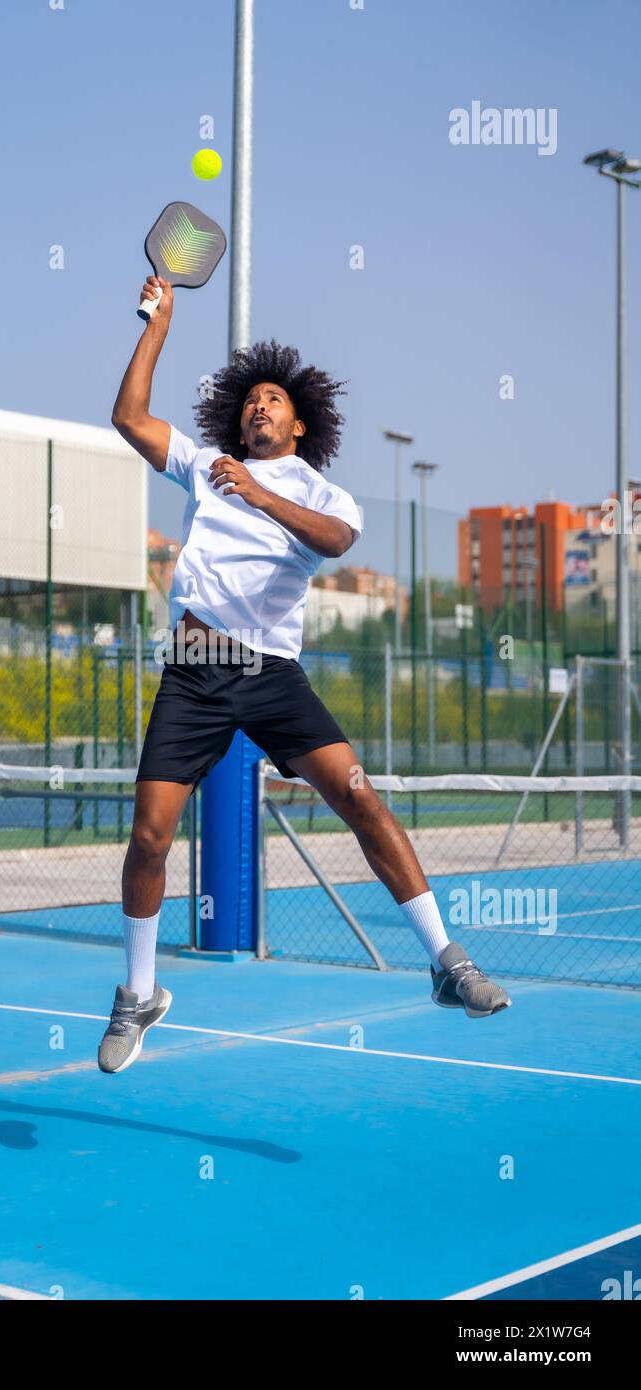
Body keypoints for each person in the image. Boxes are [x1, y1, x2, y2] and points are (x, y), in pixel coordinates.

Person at [99, 274, 510, 1074]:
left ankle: (446, 959)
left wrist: (256, 494)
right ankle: (139, 994)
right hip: (195, 665)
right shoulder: (204, 463)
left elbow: (334, 541)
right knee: (149, 834)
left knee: (358, 795)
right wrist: (159, 324)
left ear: (299, 420)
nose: (259, 405)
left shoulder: (323, 493)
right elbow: (128, 418)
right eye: (250, 398)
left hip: (272, 673)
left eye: (273, 400)